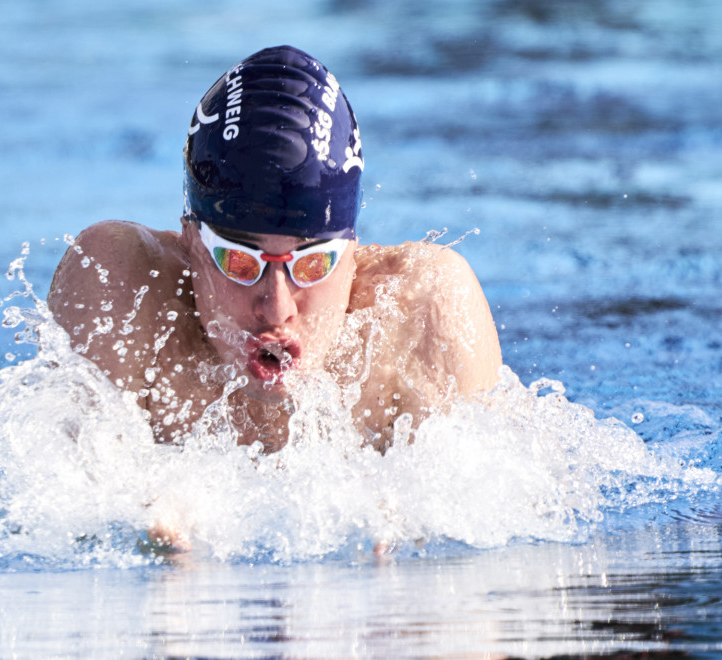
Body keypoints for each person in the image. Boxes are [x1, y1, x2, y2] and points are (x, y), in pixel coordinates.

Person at [47, 45, 502, 458]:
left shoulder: (423, 313)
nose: (276, 308)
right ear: (192, 242)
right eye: (239, 261)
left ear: (351, 251)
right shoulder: (122, 290)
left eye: (314, 263)